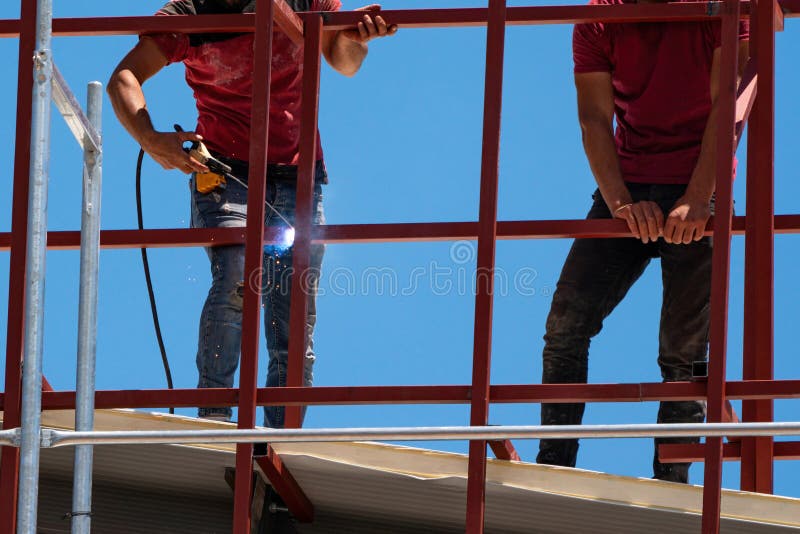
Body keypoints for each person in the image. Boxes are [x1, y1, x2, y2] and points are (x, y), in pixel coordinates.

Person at [108, 0, 397, 426]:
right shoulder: (193, 10)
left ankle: (281, 436)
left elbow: (343, 60)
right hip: (226, 175)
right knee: (236, 276)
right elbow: (125, 77)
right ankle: (216, 421)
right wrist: (150, 138)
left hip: (297, 178)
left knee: (292, 310)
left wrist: (357, 40)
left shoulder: (303, 1)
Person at [536, 0, 748, 482]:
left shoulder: (722, 8)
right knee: (565, 323)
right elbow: (593, 118)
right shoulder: (599, 16)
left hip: (702, 185)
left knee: (685, 351)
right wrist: (621, 204)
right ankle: (553, 471)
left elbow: (728, 105)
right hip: (626, 187)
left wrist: (697, 198)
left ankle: (671, 484)